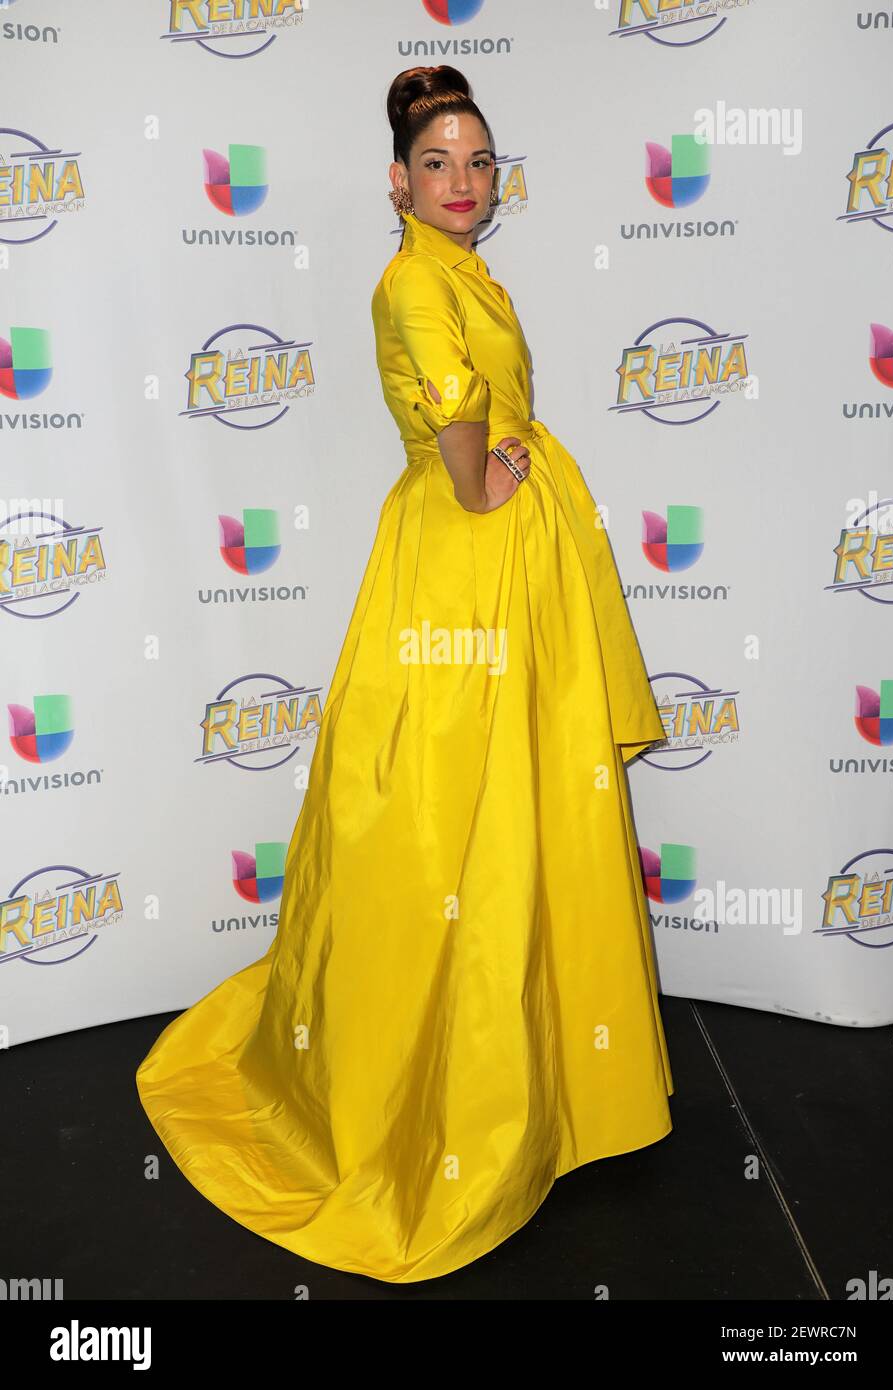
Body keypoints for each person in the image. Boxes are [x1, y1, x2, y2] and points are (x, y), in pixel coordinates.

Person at [135, 64, 673, 1286]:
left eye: (479, 163)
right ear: (397, 178)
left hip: (500, 553)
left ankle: (542, 1077)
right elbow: (452, 415)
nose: (462, 182)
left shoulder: (459, 267)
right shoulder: (409, 280)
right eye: (438, 163)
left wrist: (504, 484)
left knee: (512, 798)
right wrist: (485, 477)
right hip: (461, 558)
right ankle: (433, 1087)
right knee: (446, 810)